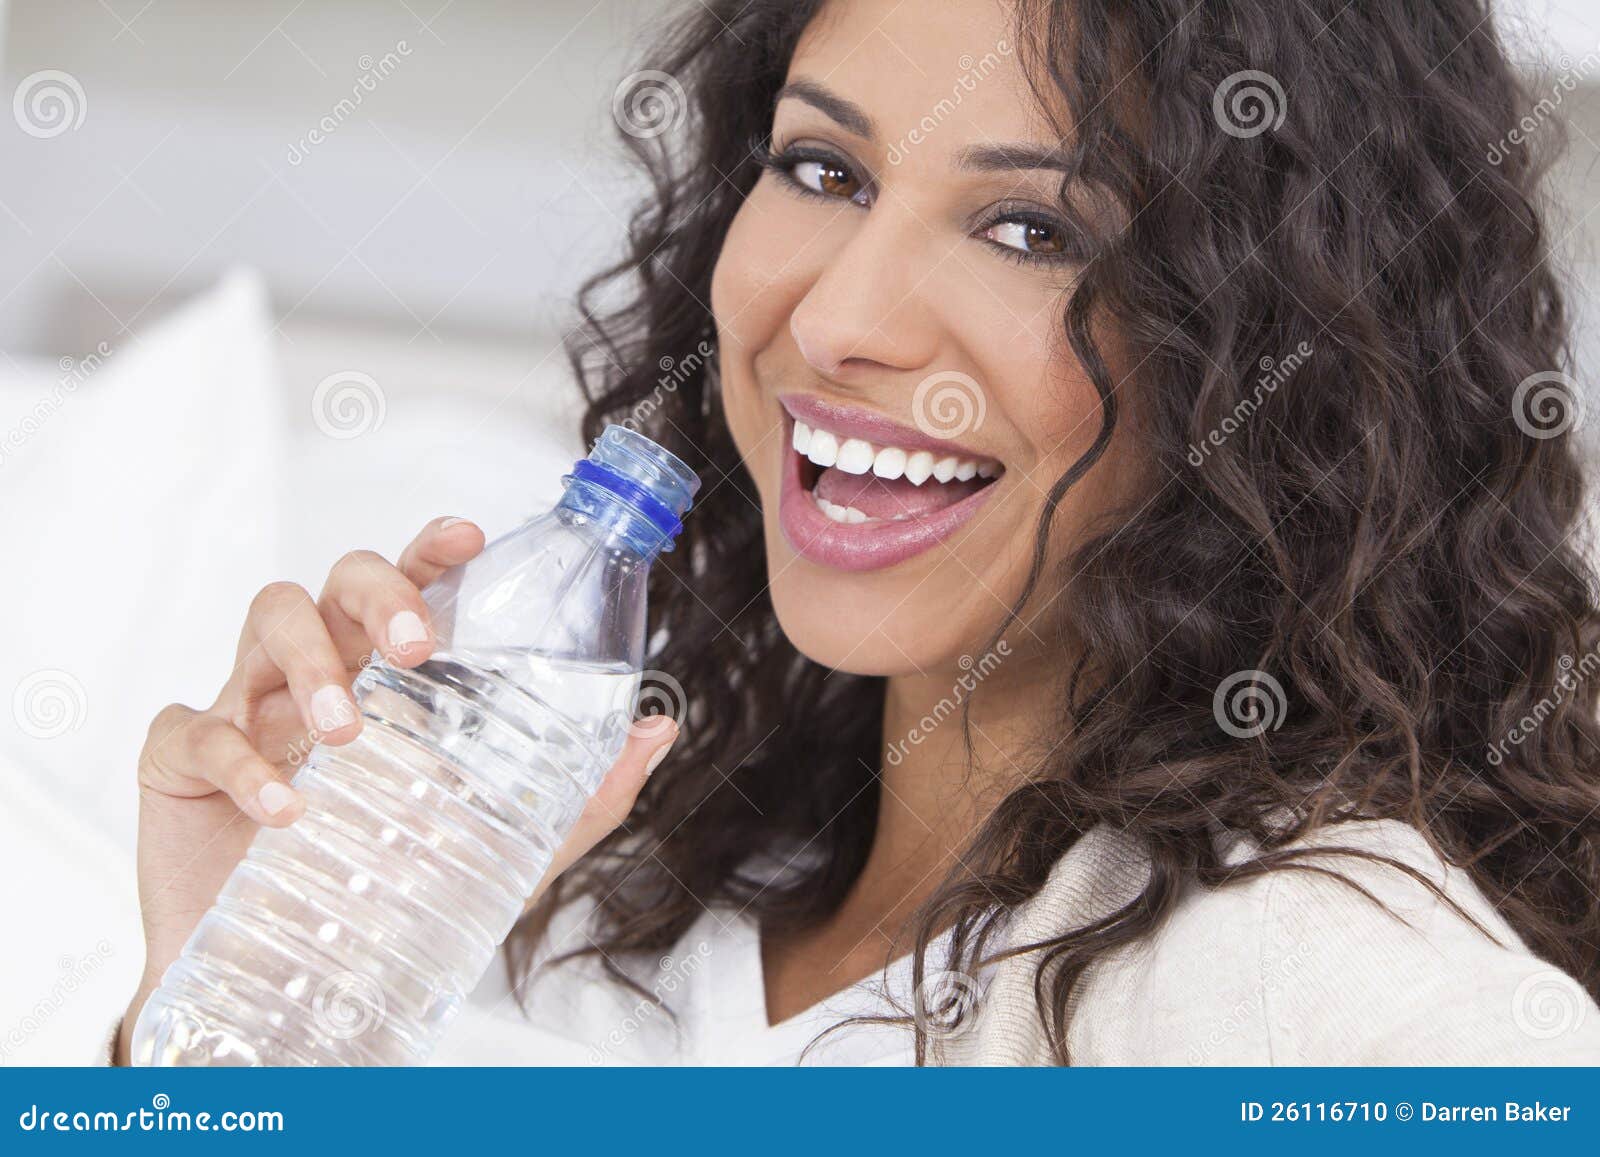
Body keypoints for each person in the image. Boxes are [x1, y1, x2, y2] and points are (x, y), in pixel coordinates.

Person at [119, 0, 1600, 1064]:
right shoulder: (615, 889)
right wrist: (214, 1021)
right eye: (824, 172)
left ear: (1270, 355)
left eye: (1035, 231)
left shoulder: (1319, 992)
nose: (834, 321)